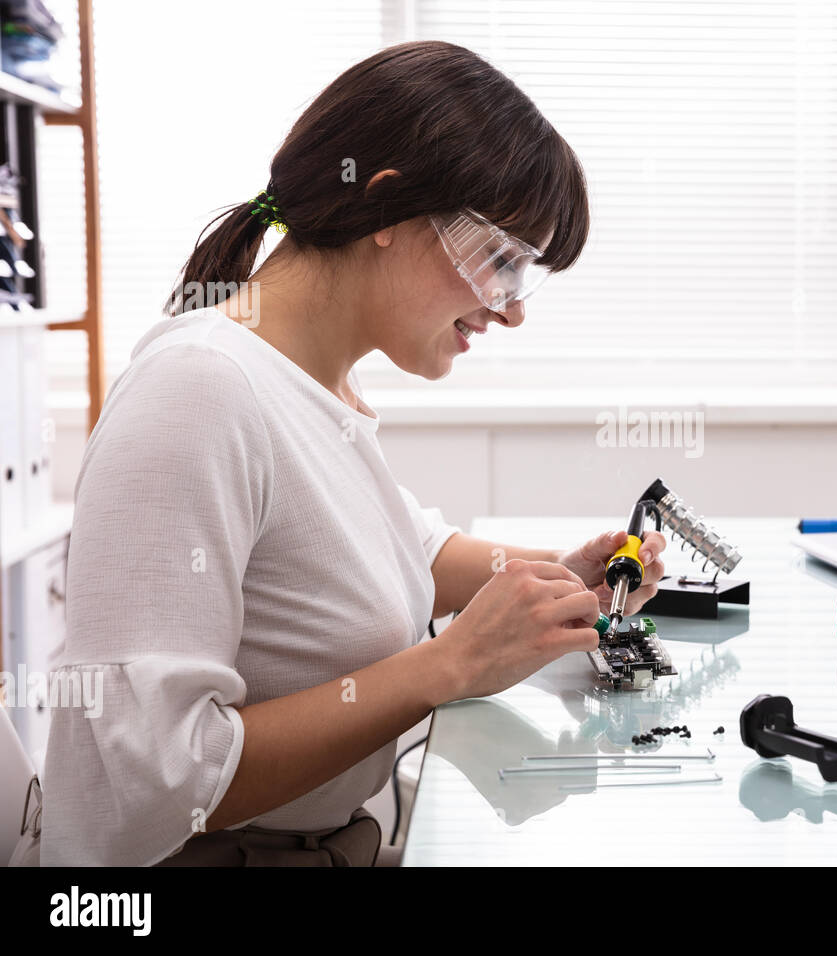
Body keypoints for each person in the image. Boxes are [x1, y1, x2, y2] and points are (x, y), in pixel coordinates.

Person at [40, 40, 666, 866]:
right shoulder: (200, 391)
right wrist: (452, 664)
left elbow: (391, 551)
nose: (511, 311)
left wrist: (564, 569)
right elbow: (158, 778)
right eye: (500, 260)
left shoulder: (310, 385)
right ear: (388, 209)